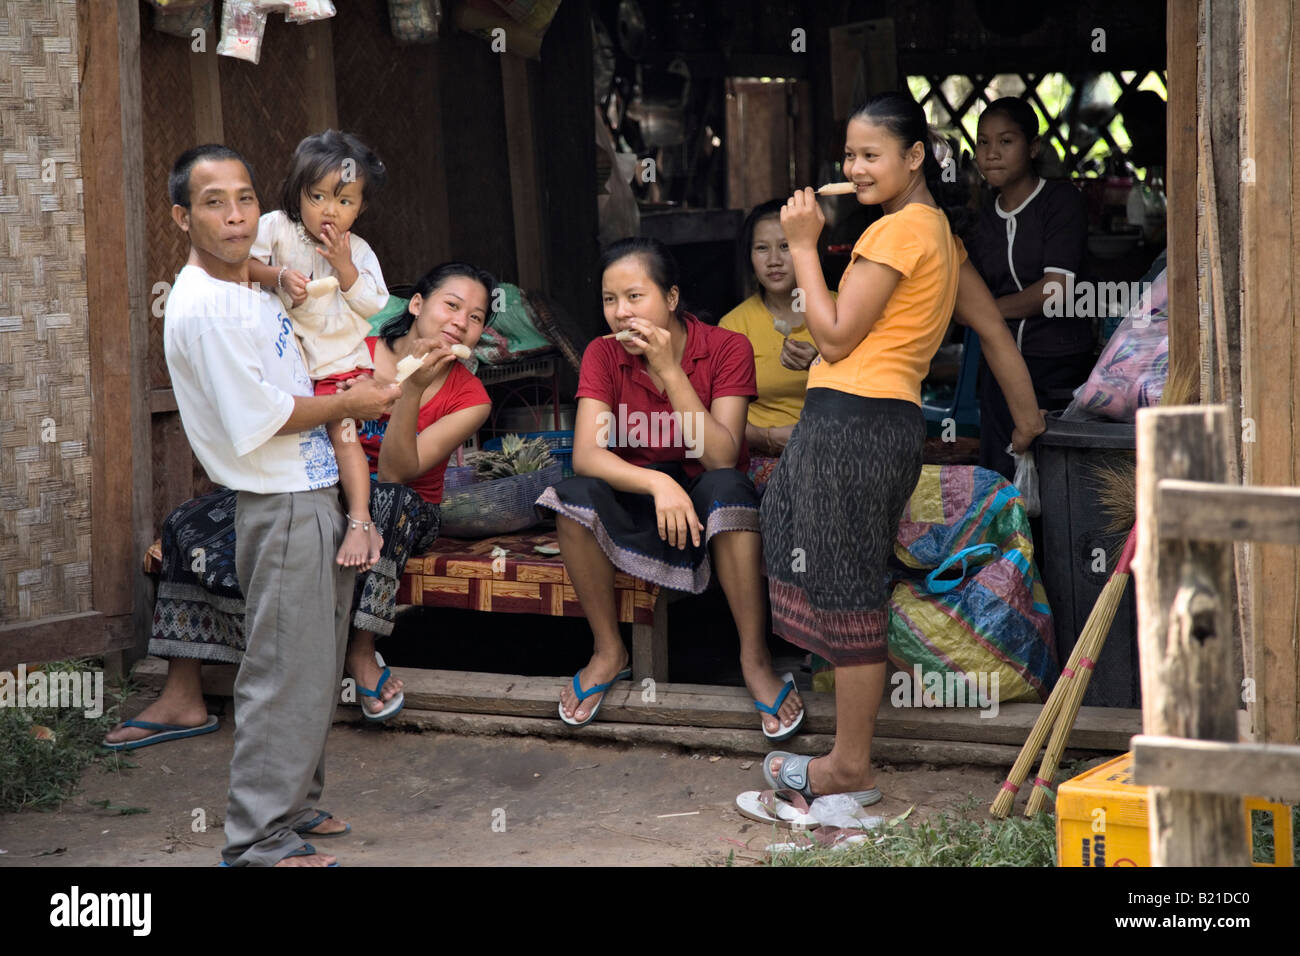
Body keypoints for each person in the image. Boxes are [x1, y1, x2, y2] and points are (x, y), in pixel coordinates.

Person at [755, 93, 1047, 806]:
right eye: (849, 155)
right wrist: (1029, 422)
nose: (854, 167)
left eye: (870, 155)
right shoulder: (937, 237)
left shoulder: (894, 234)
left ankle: (848, 767)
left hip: (849, 430)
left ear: (914, 158)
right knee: (844, 574)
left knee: (850, 590)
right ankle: (848, 755)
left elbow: (834, 337)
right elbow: (990, 331)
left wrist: (800, 243)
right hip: (882, 425)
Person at [103, 264, 492, 754]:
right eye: (451, 305)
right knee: (188, 522)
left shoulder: (470, 398)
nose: (460, 322)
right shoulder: (351, 352)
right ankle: (183, 694)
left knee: (383, 499)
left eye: (475, 318)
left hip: (404, 507)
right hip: (315, 486)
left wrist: (411, 391)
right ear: (417, 305)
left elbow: (397, 471)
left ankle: (361, 653)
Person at [144, 144, 401, 866]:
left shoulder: (246, 286)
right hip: (281, 501)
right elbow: (260, 416)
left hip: (312, 488)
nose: (233, 215)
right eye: (213, 202)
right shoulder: (212, 310)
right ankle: (258, 840)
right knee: (282, 673)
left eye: (245, 199)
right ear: (181, 216)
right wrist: (352, 399)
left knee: (315, 664)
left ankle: (296, 805)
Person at [535, 237, 806, 740]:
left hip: (707, 499)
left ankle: (754, 658)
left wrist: (666, 368)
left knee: (728, 485)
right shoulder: (600, 354)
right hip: (641, 495)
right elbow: (589, 455)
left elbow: (721, 454)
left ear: (672, 298)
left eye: (635, 297)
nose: (620, 314)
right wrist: (658, 482)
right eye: (610, 300)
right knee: (572, 496)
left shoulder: (726, 347)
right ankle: (608, 651)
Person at [246, 130, 391, 570]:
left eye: (345, 201)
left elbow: (373, 304)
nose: (330, 210)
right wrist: (278, 277)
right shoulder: (275, 227)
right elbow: (243, 266)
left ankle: (361, 519)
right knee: (290, 440)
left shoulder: (359, 251)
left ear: (361, 207)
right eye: (318, 196)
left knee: (345, 440)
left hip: (335, 361)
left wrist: (345, 267)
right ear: (297, 193)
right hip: (286, 362)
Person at [968, 97, 1092, 481]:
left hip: (1057, 370)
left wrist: (986, 312)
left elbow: (1055, 290)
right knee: (1002, 488)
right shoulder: (981, 221)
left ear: (1033, 147)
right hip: (999, 374)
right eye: (983, 142)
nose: (992, 154)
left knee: (1058, 487)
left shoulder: (1060, 202)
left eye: (1006, 142)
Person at [718, 200, 821, 457]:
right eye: (762, 248)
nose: (774, 261)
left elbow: (870, 394)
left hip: (830, 449)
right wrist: (769, 437)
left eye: (785, 246)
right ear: (749, 256)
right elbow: (720, 422)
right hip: (761, 456)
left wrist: (821, 364)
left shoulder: (840, 308)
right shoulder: (733, 327)